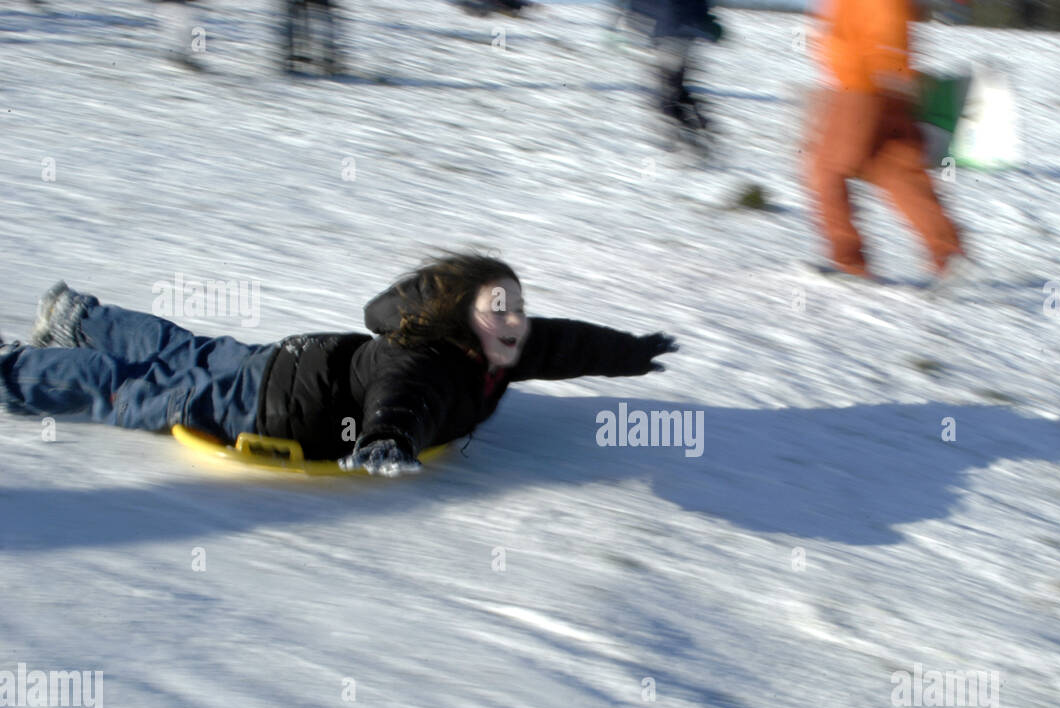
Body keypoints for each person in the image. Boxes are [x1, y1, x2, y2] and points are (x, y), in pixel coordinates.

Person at [0, 254, 678, 476]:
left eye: (517, 307)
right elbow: (403, 401)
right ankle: (16, 375)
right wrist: (386, 441)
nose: (516, 322)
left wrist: (631, 351)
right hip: (268, 407)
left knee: (188, 351)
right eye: (498, 311)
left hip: (292, 360)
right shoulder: (431, 367)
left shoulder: (508, 344)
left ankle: (78, 318)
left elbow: (569, 344)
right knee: (134, 391)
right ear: (457, 327)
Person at [805, 0, 963, 279]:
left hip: (863, 84)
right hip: (877, 81)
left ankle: (848, 261)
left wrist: (889, 67)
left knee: (826, 170)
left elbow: (885, 16)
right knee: (895, 170)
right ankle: (949, 254)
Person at [622, 0, 723, 154]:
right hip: (671, 35)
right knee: (675, 90)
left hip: (673, 37)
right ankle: (701, 132)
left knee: (669, 95)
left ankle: (694, 137)